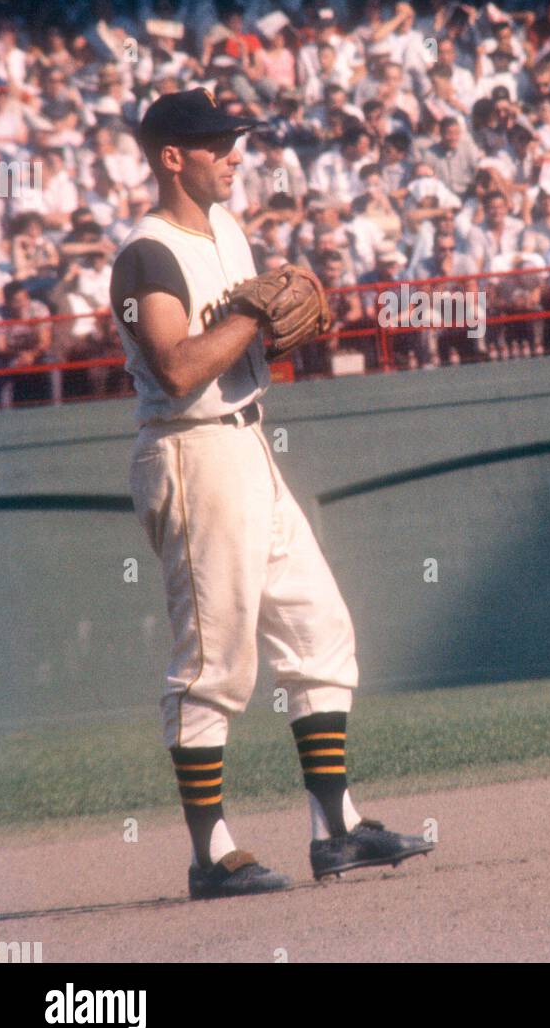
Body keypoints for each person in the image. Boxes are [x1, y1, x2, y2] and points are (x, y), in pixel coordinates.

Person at [109, 89, 433, 899]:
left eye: (234, 140)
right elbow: (178, 367)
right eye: (217, 142)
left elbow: (249, 334)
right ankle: (210, 854)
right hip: (192, 454)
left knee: (319, 629)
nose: (234, 154)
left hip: (248, 443)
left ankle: (337, 830)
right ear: (171, 156)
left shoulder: (226, 230)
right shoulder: (147, 253)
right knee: (213, 665)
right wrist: (254, 318)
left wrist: (282, 321)